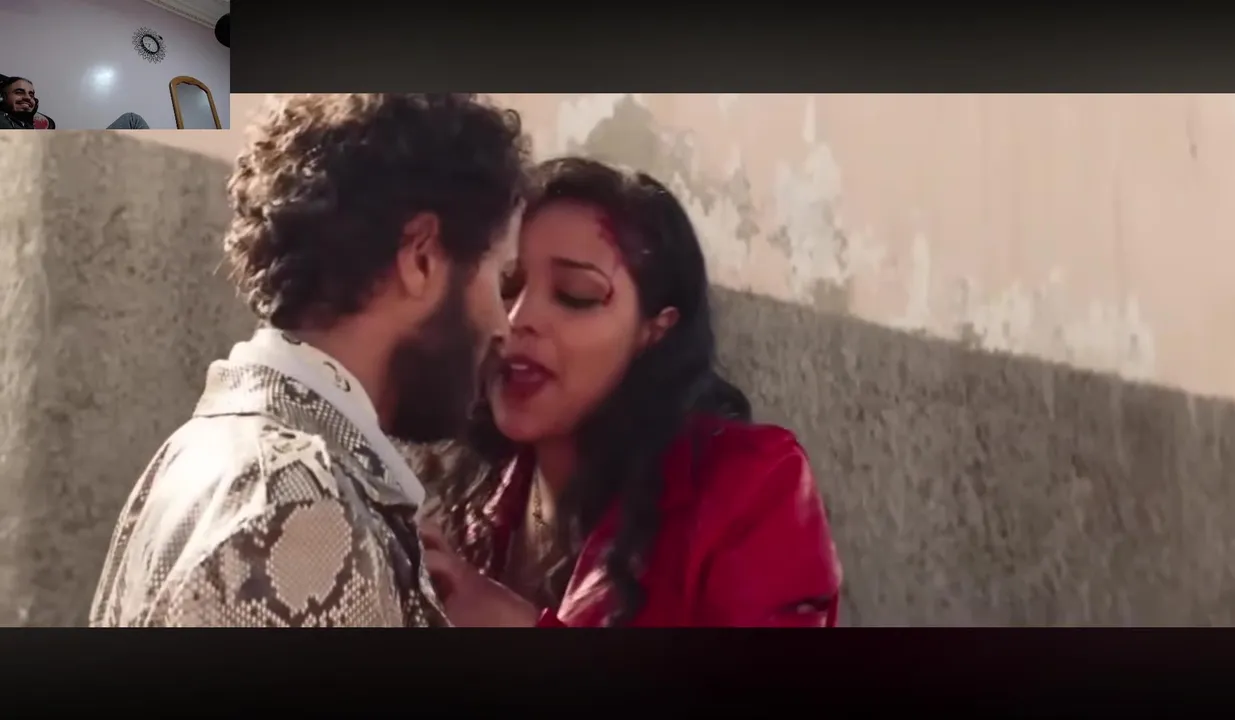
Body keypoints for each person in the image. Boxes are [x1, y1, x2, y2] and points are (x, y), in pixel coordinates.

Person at [88, 93, 530, 627]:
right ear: (421, 257)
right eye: (499, 277)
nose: (504, 325)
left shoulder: (212, 449)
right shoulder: (298, 507)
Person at [417, 158, 843, 628]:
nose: (517, 319)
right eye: (506, 285)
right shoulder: (471, 502)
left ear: (654, 330)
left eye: (575, 295)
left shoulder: (750, 488)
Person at [0, 75, 149, 130]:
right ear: (2, 97)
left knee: (131, 120)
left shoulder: (30, 125)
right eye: (19, 92)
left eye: (31, 94)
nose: (28, 97)